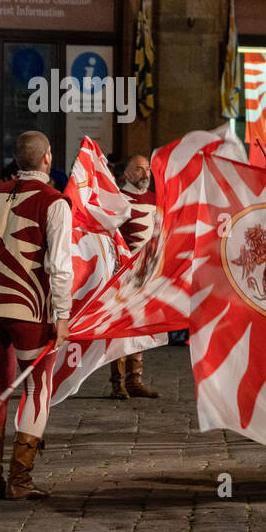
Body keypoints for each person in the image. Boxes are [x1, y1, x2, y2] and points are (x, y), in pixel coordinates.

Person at [0, 131, 73, 501]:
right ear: (47, 157)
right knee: (37, 387)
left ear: (17, 160)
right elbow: (60, 266)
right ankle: (20, 480)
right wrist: (63, 315)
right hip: (28, 307)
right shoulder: (55, 202)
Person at [108, 154, 159, 400]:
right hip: (122, 274)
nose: (145, 173)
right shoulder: (116, 199)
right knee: (121, 328)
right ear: (126, 173)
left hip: (146, 274)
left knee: (139, 326)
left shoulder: (153, 199)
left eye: (147, 169)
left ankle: (134, 379)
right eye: (138, 169)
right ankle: (118, 382)